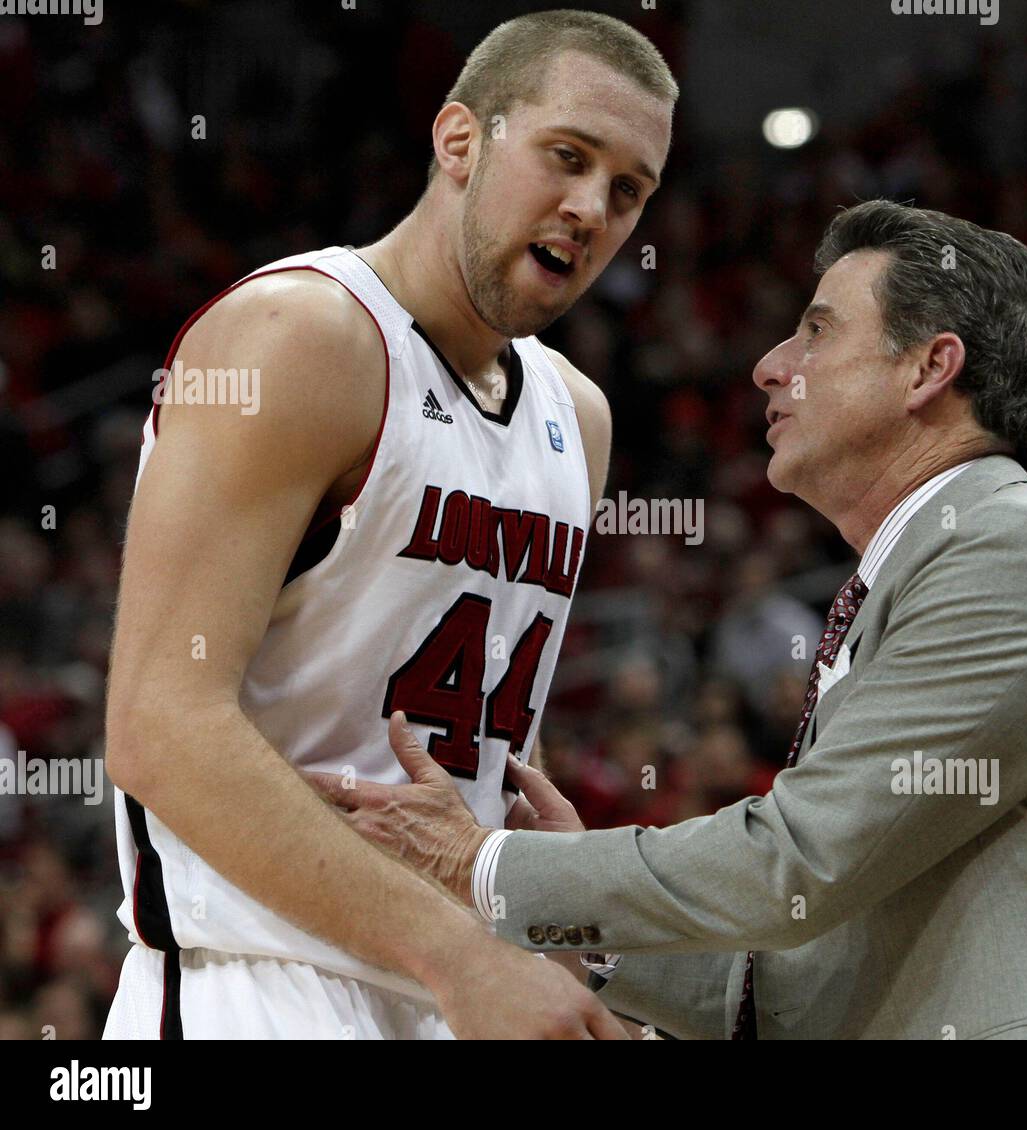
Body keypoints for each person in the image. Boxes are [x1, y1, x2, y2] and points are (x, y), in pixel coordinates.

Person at [319, 200, 1027, 1039]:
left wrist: (486, 863)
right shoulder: (928, 568)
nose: (769, 365)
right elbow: (796, 975)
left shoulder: (1017, 548)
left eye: (817, 331)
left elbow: (795, 861)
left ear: (928, 368)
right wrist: (584, 929)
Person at [102, 10, 675, 1040]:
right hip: (265, 983)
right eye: (567, 156)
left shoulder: (574, 417)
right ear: (460, 139)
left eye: (627, 190)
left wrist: (550, 910)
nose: (590, 207)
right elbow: (158, 725)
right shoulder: (300, 335)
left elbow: (482, 755)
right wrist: (451, 948)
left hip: (458, 990)